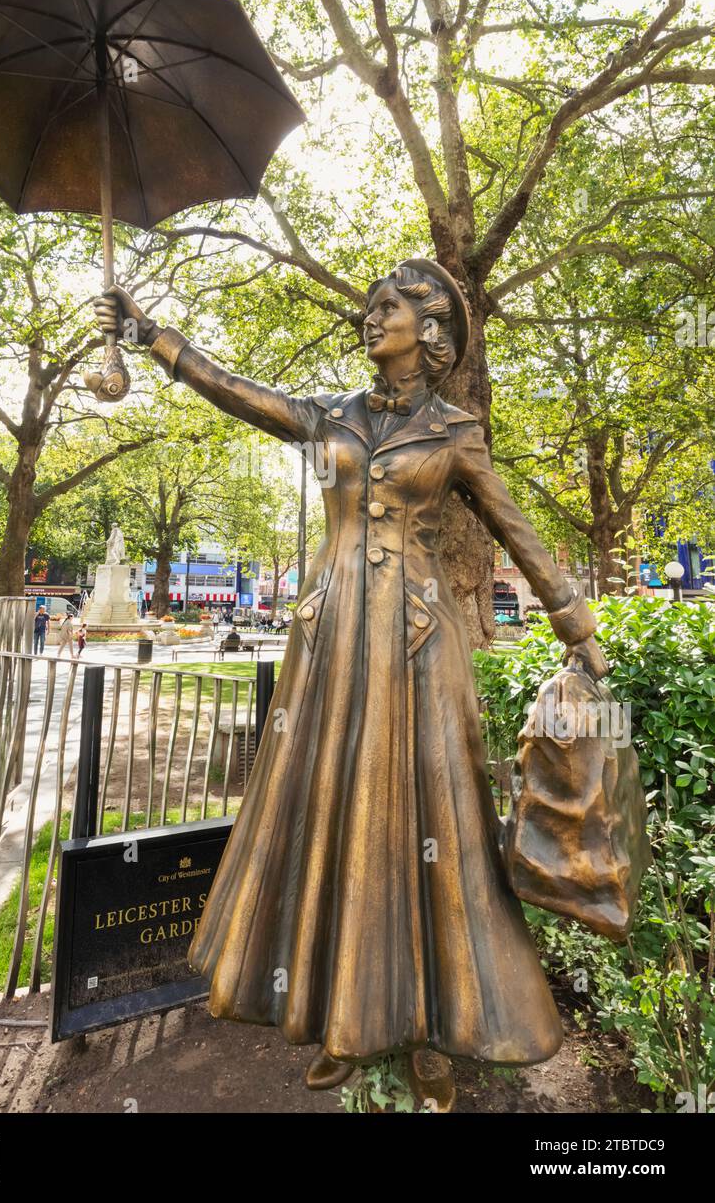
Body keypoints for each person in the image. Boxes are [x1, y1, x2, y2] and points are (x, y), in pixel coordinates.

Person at [94, 259, 607, 1097]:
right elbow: (234, 389)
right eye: (369, 310)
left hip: (417, 646)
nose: (371, 321)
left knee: (432, 821)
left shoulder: (454, 431)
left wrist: (574, 621)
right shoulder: (328, 415)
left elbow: (517, 529)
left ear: (430, 331)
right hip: (330, 640)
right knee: (332, 818)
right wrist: (151, 334)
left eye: (387, 309)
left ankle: (433, 1034)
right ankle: (343, 1012)